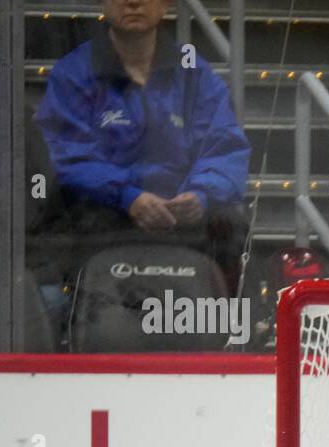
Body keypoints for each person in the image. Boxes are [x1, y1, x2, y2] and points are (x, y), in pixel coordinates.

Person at [34, 0, 250, 280]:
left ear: (166, 5)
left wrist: (200, 194)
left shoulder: (194, 72)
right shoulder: (74, 72)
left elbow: (225, 147)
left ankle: (227, 319)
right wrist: (128, 197)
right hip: (105, 214)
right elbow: (66, 156)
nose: (133, 2)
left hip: (183, 214)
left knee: (229, 224)